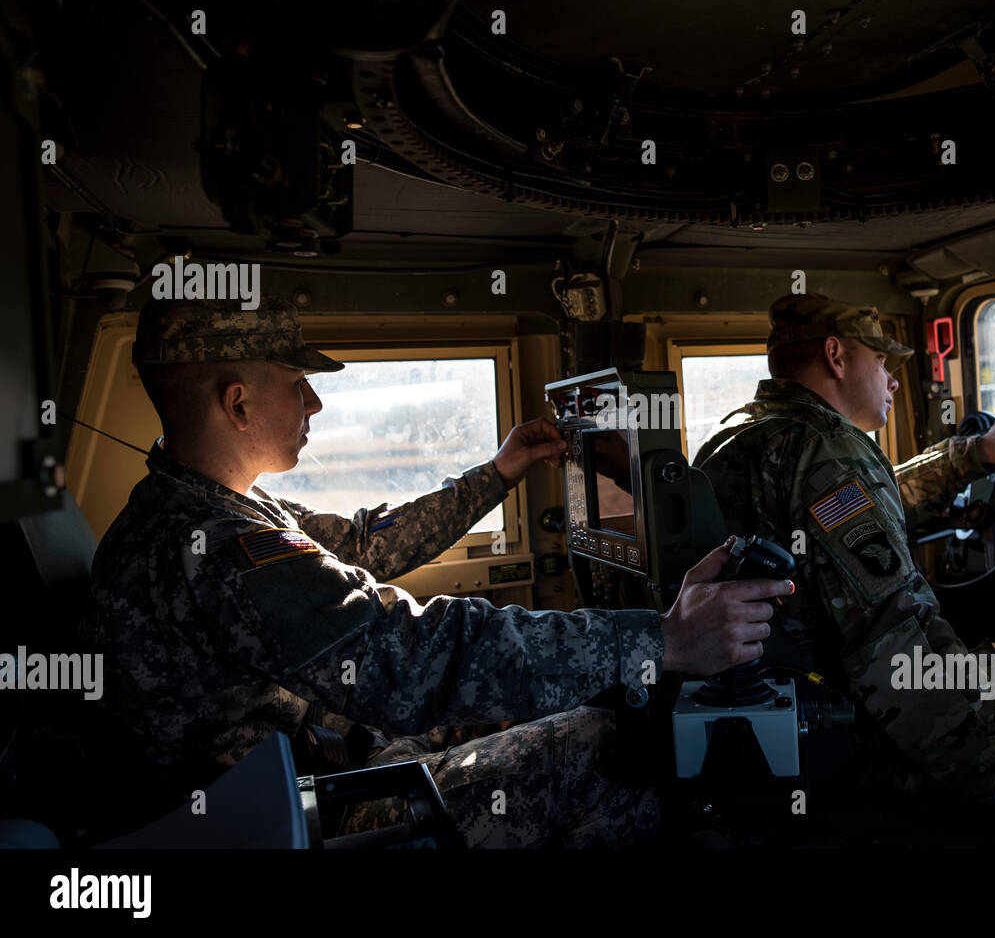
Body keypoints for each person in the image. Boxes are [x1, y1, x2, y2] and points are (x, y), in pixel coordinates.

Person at [82, 298, 788, 847]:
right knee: (611, 748)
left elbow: (364, 546)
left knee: (566, 701)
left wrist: (498, 472)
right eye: (298, 383)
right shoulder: (219, 545)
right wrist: (660, 640)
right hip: (298, 818)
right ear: (237, 402)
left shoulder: (212, 506)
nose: (315, 403)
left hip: (313, 768)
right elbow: (411, 657)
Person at [695, 293, 995, 824]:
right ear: (836, 356)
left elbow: (852, 513)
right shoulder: (831, 451)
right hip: (858, 742)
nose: (893, 380)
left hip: (781, 723)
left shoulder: (734, 441)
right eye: (881, 361)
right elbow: (899, 659)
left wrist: (974, 454)